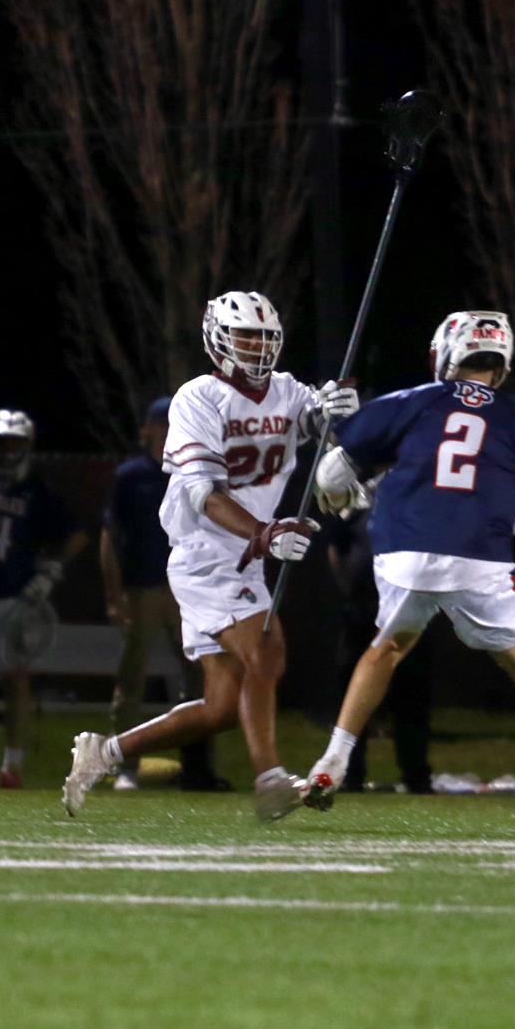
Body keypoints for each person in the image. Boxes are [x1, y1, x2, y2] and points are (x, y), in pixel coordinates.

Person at [301, 310, 515, 837]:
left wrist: (346, 469)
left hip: (401, 552)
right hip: (474, 557)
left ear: (446, 353)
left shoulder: (414, 400)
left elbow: (334, 469)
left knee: (385, 649)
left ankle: (333, 761)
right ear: (500, 362)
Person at [61, 290, 357, 821]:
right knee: (266, 647)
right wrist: (263, 533)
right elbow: (204, 492)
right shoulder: (197, 397)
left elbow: (321, 422)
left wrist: (341, 410)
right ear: (218, 339)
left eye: (265, 338)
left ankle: (104, 753)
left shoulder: (289, 391)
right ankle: (270, 782)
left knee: (220, 707)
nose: (257, 348)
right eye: (246, 336)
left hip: (246, 552)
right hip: (205, 550)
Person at [0, 409, 88, 787]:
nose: (6, 451)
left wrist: (50, 568)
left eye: (14, 444)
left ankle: (13, 764)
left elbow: (75, 534)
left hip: (13, 598)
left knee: (16, 681)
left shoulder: (36, 491)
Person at [99, 396, 228, 792]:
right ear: (149, 429)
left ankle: (197, 768)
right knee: (132, 677)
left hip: (189, 590)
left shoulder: (196, 472)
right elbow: (110, 537)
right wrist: (113, 592)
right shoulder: (132, 476)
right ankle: (124, 765)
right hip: (146, 589)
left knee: (203, 680)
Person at [320, 507, 432, 794]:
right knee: (353, 691)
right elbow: (335, 546)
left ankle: (417, 776)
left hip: (406, 606)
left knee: (412, 695)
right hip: (362, 609)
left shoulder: (414, 489)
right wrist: (351, 593)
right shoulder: (352, 492)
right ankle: (348, 773)